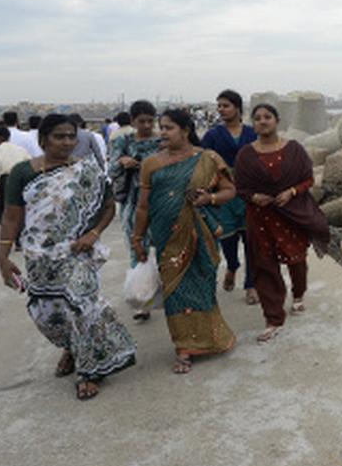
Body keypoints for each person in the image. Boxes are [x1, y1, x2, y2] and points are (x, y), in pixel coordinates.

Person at [0, 114, 136, 400]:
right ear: (43, 139)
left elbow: (109, 207)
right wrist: (3, 255)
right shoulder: (23, 173)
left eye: (71, 136)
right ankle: (71, 348)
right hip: (40, 255)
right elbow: (12, 216)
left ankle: (89, 370)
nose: (67, 142)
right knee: (47, 314)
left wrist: (94, 234)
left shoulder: (88, 171)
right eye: (60, 136)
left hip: (77, 253)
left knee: (83, 306)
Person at [133, 109, 237, 373]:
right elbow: (143, 207)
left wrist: (209, 199)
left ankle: (209, 339)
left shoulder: (208, 159)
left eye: (168, 128)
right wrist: (137, 237)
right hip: (167, 238)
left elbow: (229, 191)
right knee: (175, 292)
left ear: (185, 130)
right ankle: (183, 348)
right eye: (161, 128)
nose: (162, 133)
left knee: (202, 287)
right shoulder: (151, 164)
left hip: (200, 234)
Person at [234, 104, 330, 343]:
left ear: (277, 120)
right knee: (265, 266)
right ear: (252, 124)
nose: (262, 121)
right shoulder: (246, 154)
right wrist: (254, 197)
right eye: (257, 118)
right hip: (261, 218)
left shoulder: (294, 149)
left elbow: (308, 179)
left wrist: (292, 191)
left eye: (267, 117)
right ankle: (273, 318)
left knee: (297, 260)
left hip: (292, 214)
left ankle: (298, 295)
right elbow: (240, 187)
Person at [200, 89, 258, 302]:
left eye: (226, 105)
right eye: (219, 106)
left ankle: (251, 285)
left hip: (249, 195)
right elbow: (201, 160)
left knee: (252, 241)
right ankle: (232, 266)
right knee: (228, 240)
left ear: (237, 108)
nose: (221, 110)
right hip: (223, 197)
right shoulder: (213, 135)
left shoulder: (252, 133)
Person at [108, 100, 161, 321]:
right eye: (142, 121)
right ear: (132, 121)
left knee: (164, 248)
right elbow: (110, 168)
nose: (147, 125)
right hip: (133, 201)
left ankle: (166, 294)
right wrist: (123, 162)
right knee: (137, 248)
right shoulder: (122, 141)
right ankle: (143, 300)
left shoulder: (162, 140)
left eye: (150, 120)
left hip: (160, 200)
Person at [0, 125, 31, 223]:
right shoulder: (21, 150)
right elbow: (29, 165)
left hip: (5, 184)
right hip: (22, 182)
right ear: (9, 136)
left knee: (5, 214)